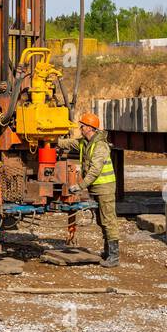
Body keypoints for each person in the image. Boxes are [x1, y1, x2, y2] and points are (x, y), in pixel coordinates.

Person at [62, 111, 120, 267]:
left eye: (82, 126)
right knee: (102, 221)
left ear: (89, 128)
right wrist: (52, 141)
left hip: (105, 187)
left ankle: (114, 256)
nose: (80, 128)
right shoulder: (84, 143)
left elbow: (95, 170)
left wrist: (80, 186)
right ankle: (108, 252)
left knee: (108, 220)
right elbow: (69, 143)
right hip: (96, 188)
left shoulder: (100, 146)